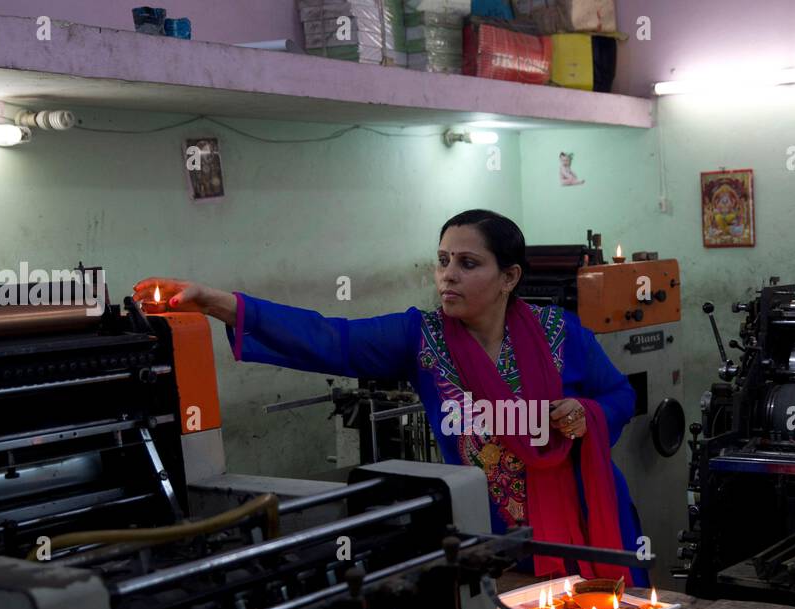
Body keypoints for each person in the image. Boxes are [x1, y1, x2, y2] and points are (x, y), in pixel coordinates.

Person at [135, 209, 648, 586]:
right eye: (443, 260)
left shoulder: (563, 333)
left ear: (509, 277)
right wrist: (216, 303)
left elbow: (619, 395)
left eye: (468, 263)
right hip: (490, 535)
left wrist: (589, 412)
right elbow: (327, 338)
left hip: (588, 516)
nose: (448, 274)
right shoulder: (421, 339)